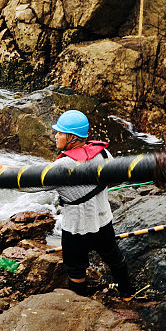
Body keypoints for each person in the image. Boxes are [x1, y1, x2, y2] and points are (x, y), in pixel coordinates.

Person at [48, 110, 132, 296]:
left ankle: (81, 304)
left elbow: (30, 186)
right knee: (114, 258)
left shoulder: (62, 166)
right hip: (103, 221)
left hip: (76, 228)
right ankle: (128, 295)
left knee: (75, 269)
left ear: (72, 138)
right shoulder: (103, 153)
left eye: (60, 133)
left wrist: (3, 173)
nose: (55, 136)